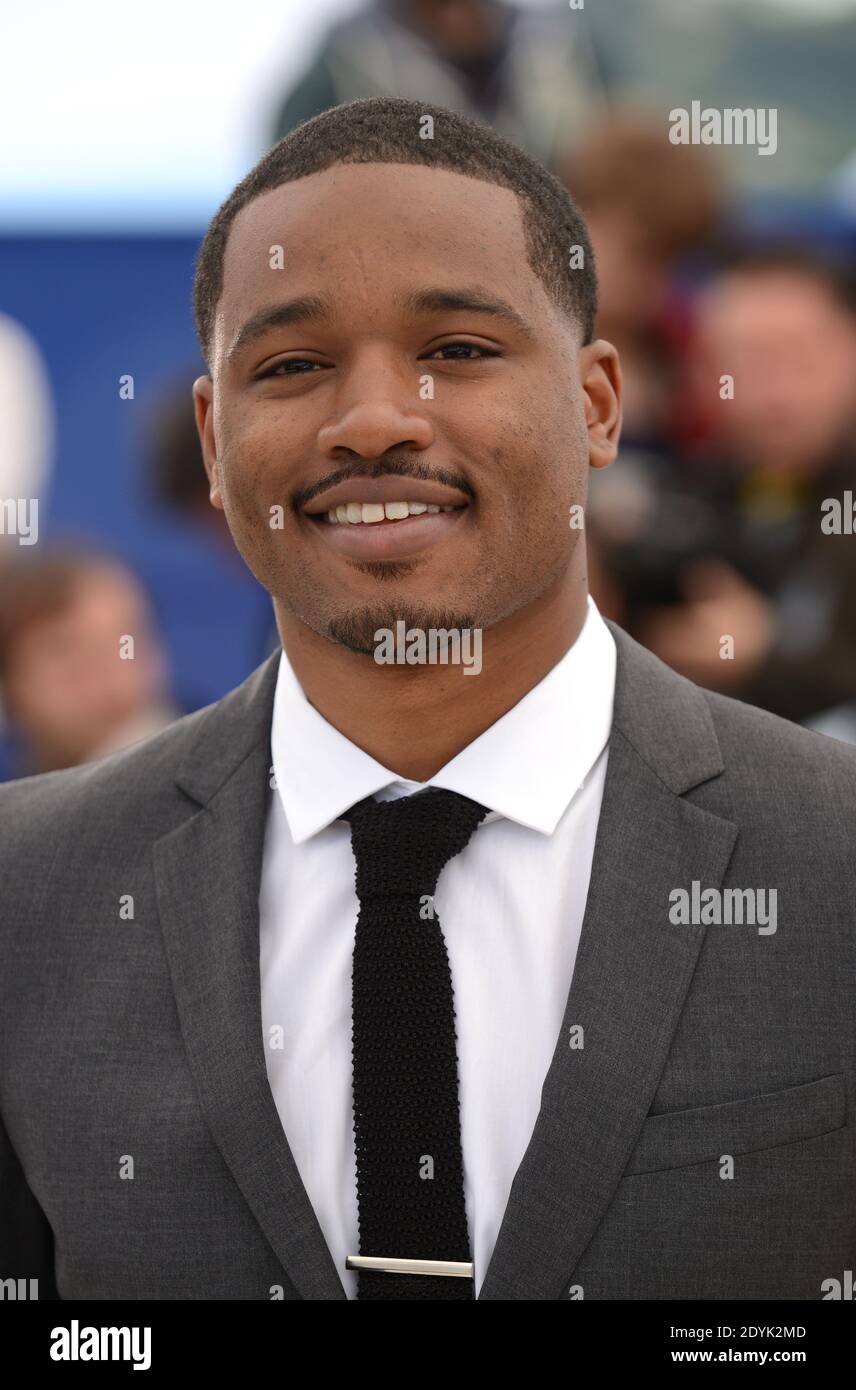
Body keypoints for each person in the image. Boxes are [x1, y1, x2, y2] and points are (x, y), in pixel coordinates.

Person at [0, 98, 853, 1302]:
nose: (374, 422)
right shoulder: (30, 897)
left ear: (600, 403)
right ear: (212, 434)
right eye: (291, 365)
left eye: (456, 349)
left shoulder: (831, 853)